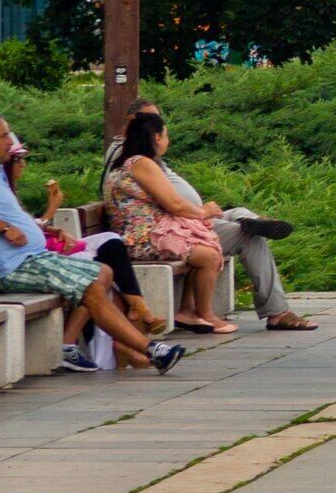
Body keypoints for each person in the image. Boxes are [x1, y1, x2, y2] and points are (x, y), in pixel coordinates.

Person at [0, 113, 181, 372]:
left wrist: (46, 228)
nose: (10, 141)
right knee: (92, 287)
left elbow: (3, 213)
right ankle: (150, 349)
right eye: (3, 136)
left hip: (34, 258)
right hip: (15, 266)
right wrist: (3, 227)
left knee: (104, 272)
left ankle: (72, 345)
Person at [103, 106, 312, 333]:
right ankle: (211, 313)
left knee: (231, 230)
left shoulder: (134, 160)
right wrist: (202, 212)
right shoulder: (140, 163)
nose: (167, 141)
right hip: (150, 235)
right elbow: (174, 203)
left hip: (164, 227)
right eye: (166, 135)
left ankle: (247, 222)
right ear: (156, 137)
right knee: (231, 243)